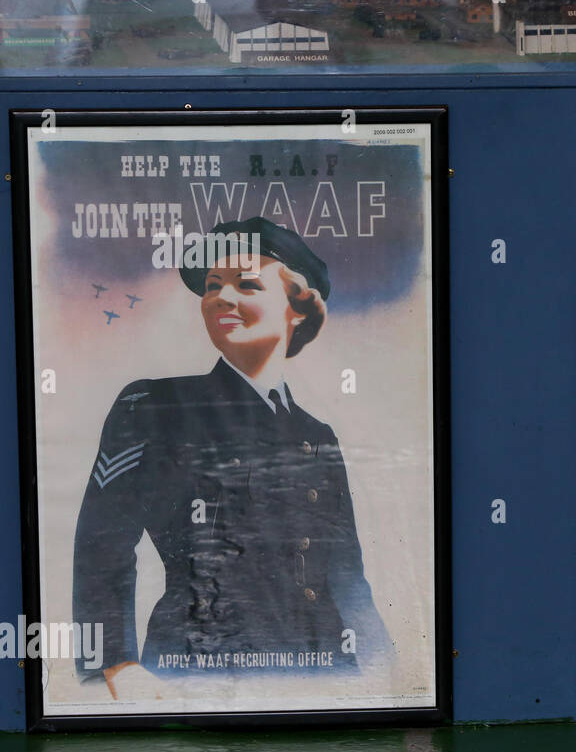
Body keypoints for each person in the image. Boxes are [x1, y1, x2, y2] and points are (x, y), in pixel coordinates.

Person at [72, 217, 393, 699]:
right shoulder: (154, 407)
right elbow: (102, 544)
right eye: (212, 286)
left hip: (322, 670)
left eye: (246, 283)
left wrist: (383, 666)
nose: (221, 297)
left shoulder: (317, 434)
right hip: (197, 671)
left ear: (297, 308)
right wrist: (116, 665)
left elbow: (347, 576)